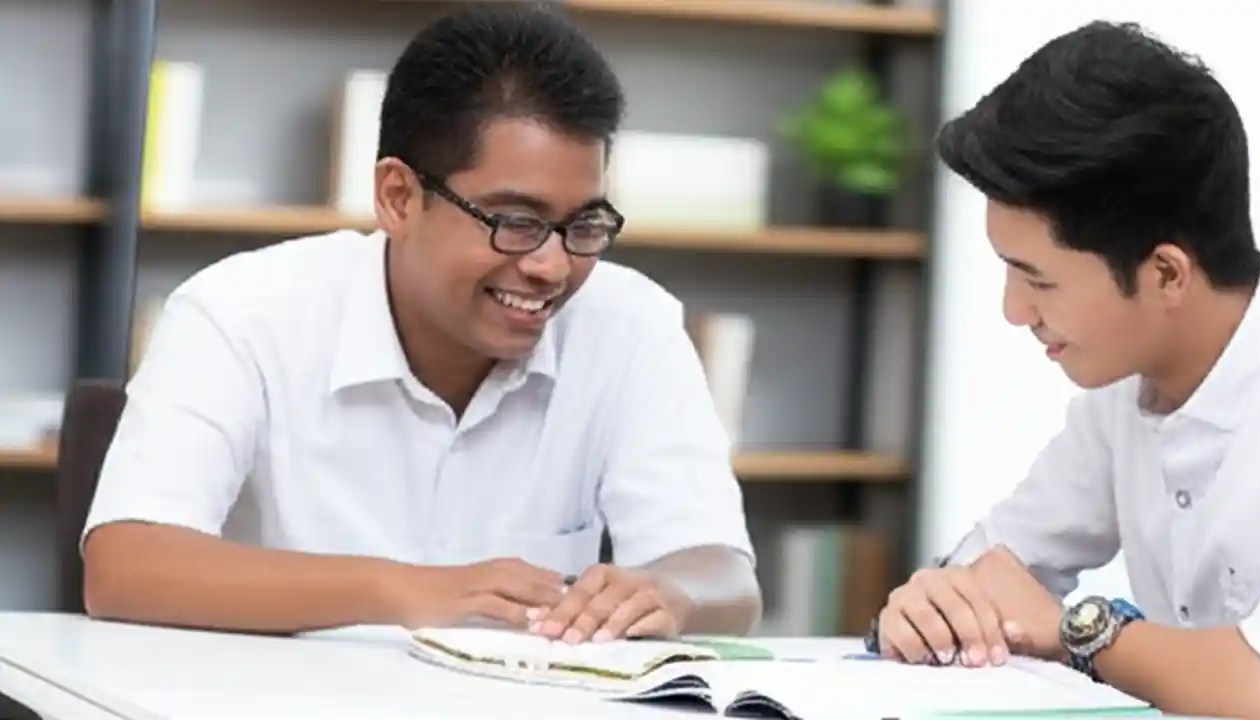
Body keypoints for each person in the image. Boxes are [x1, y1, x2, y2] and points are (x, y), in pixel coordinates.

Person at [82, 3, 760, 645]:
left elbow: (724, 576)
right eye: (515, 223)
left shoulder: (630, 324)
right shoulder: (242, 311)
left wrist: (672, 593)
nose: (553, 266)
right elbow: (126, 565)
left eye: (583, 224)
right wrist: (408, 590)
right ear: (398, 197)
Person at [873, 20, 1260, 718]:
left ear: (1167, 274)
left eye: (1039, 280)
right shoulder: (1123, 391)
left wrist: (1075, 632)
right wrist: (934, 608)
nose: (1014, 311)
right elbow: (997, 572)